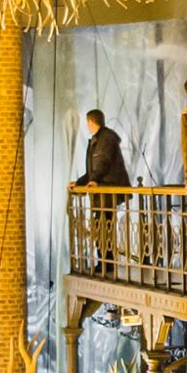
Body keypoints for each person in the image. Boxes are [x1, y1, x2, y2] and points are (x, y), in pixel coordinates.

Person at [75, 110, 131, 271]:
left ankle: (107, 262)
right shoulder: (98, 140)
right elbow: (93, 170)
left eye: (87, 123)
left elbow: (102, 164)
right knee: (102, 225)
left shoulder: (105, 139)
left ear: (91, 121)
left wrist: (93, 180)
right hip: (102, 192)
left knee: (104, 226)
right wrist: (79, 182)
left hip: (107, 192)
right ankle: (105, 261)